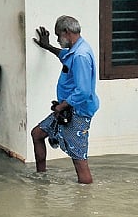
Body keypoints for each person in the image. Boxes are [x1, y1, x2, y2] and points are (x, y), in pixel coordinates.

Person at [31, 15, 99, 184]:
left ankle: (85, 196)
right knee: (37, 134)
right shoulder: (76, 50)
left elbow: (83, 91)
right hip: (66, 109)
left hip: (78, 112)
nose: (57, 40)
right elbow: (64, 55)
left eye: (58, 36)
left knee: (79, 160)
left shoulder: (81, 55)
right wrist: (48, 47)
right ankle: (41, 179)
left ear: (66, 32)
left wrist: (61, 106)